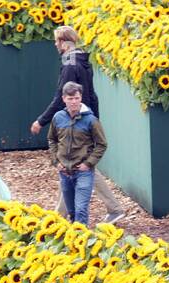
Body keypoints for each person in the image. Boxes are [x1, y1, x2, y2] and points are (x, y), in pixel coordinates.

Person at [30, 27, 126, 224]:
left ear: (64, 43)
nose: (55, 45)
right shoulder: (81, 61)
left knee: (74, 165)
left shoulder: (70, 66)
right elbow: (92, 93)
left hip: (78, 122)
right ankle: (111, 208)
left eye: (57, 42)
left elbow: (60, 98)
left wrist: (41, 120)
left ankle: (60, 217)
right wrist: (94, 118)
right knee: (78, 166)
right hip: (85, 119)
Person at [47, 82, 107, 227]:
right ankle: (75, 240)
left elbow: (101, 144)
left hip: (83, 172)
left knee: (81, 209)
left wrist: (88, 163)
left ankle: (82, 238)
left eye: (76, 98)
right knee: (72, 211)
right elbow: (52, 139)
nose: (74, 101)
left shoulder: (91, 120)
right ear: (64, 99)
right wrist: (56, 161)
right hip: (64, 171)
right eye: (70, 98)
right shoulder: (58, 118)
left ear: (81, 98)